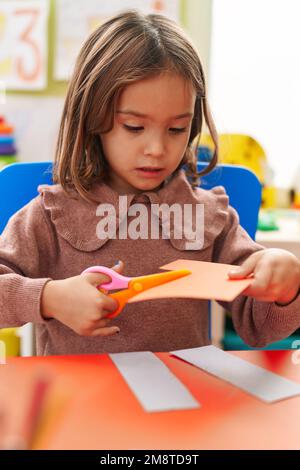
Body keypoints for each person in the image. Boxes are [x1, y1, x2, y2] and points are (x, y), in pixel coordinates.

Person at [0, 10, 299, 355]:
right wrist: (48, 297)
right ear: (92, 118)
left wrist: (287, 287)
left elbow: (260, 328)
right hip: (82, 405)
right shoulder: (51, 214)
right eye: (134, 127)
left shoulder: (208, 216)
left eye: (176, 129)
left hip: (186, 401)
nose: (157, 149)